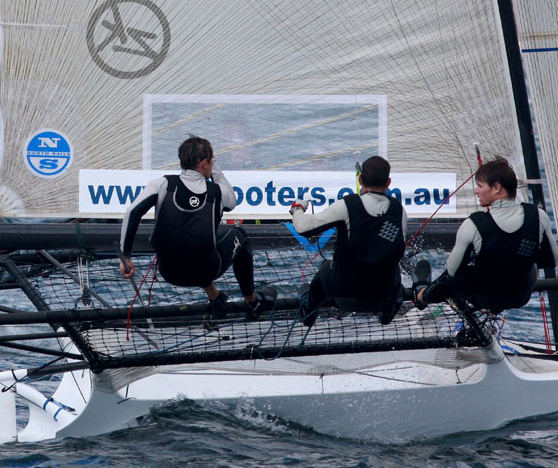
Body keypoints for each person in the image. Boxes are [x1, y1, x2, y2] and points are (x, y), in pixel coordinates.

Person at [119, 135, 262, 313]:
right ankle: (252, 302)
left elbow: (132, 213)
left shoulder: (162, 184)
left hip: (170, 273)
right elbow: (232, 202)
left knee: (191, 239)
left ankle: (215, 297)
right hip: (207, 271)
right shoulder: (217, 192)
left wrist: (125, 256)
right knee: (240, 235)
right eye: (212, 160)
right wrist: (215, 168)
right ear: (204, 163)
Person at [415, 157, 558, 314]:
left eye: (479, 186)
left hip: (484, 297)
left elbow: (453, 270)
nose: (476, 191)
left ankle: (421, 295)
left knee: (450, 277)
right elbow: (551, 260)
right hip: (520, 295)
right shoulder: (539, 216)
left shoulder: (473, 224)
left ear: (496, 187)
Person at [290, 155, 407, 326]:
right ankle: (387, 314)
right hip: (382, 296)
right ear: (388, 183)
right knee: (395, 271)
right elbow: (396, 249)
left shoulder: (347, 205)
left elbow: (303, 228)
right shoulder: (399, 211)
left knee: (324, 268)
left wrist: (297, 209)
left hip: (343, 295)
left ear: (360, 180)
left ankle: (309, 314)